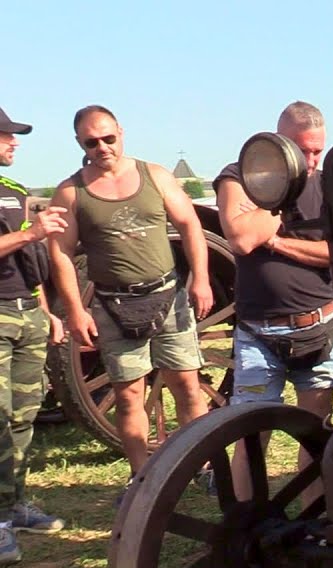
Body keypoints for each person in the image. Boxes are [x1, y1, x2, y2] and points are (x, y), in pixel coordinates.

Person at [46, 105, 213, 486]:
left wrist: (201, 278)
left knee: (187, 384)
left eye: (109, 138)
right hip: (113, 304)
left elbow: (189, 225)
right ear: (80, 143)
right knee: (128, 395)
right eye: (92, 142)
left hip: (168, 296)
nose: (103, 147)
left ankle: (204, 466)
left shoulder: (155, 175)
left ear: (121, 132)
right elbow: (60, 252)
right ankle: (141, 478)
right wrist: (74, 309)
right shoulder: (71, 192)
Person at [213, 101, 333, 500]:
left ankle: (311, 522)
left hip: (319, 327)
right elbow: (242, 237)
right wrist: (280, 191)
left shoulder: (328, 183)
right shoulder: (239, 176)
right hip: (259, 334)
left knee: (314, 433)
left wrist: (276, 239)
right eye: (303, 151)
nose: (312, 160)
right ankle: (244, 523)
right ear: (280, 143)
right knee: (250, 436)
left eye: (318, 150)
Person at [0, 107, 70, 564]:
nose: (15, 143)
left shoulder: (14, 192)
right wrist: (33, 234)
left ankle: (13, 505)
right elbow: (27, 242)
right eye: (7, 135)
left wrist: (49, 314)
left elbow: (32, 265)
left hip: (26, 313)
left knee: (24, 417)